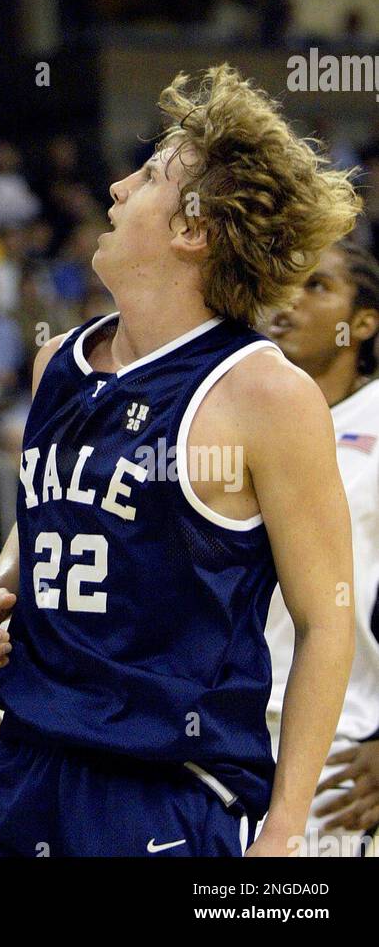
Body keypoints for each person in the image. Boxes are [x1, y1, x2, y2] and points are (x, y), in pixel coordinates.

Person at [0, 65, 359, 857]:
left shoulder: (263, 394)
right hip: (23, 763)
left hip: (166, 789)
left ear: (192, 230)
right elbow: (45, 515)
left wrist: (285, 827)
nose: (116, 187)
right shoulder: (57, 361)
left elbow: (324, 618)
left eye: (149, 175)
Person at [264, 238, 379, 855]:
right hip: (217, 724)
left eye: (317, 286)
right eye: (285, 281)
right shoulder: (236, 408)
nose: (289, 299)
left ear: (363, 324)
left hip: (338, 740)